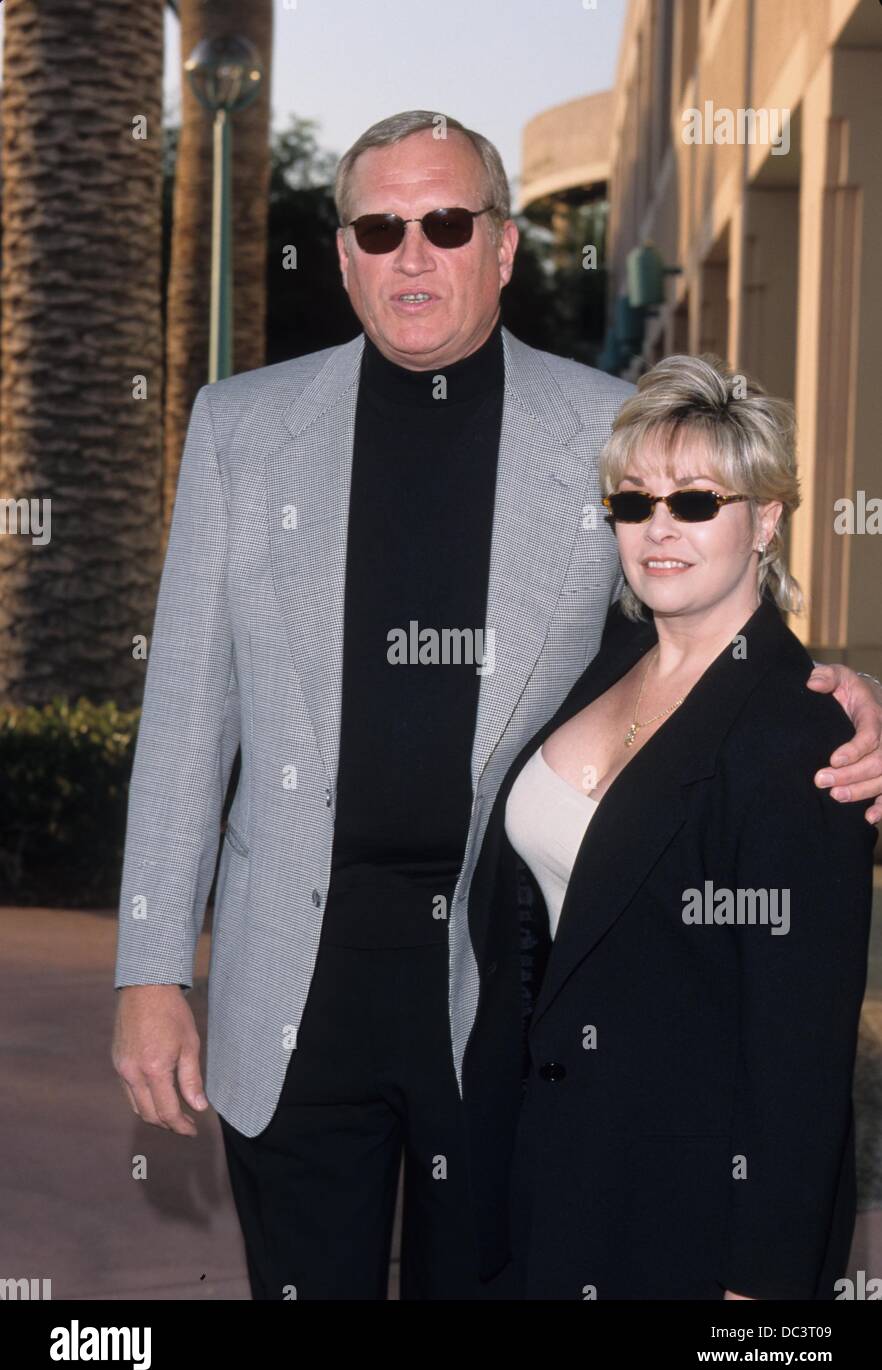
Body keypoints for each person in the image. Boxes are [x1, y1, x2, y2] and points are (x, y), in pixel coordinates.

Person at [111, 109, 882, 1301]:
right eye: (379, 227)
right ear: (347, 251)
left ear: (505, 247)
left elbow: (699, 608)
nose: (412, 253)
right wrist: (151, 970)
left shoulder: (605, 432)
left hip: (501, 991)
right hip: (291, 980)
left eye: (447, 222)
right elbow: (184, 716)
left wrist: (844, 688)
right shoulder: (241, 430)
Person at [464, 354, 878, 1300]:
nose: (660, 529)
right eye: (634, 501)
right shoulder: (608, 658)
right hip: (555, 1170)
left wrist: (758, 1287)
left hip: (689, 1213)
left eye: (697, 502)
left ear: (767, 518)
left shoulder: (799, 734)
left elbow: (801, 1052)